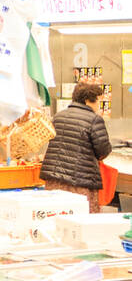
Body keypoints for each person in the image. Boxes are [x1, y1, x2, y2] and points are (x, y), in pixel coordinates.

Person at [40, 83, 112, 213]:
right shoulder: (94, 120)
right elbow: (103, 151)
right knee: (81, 221)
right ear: (88, 101)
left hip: (53, 180)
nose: (98, 106)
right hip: (80, 182)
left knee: (56, 217)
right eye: (98, 101)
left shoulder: (58, 116)